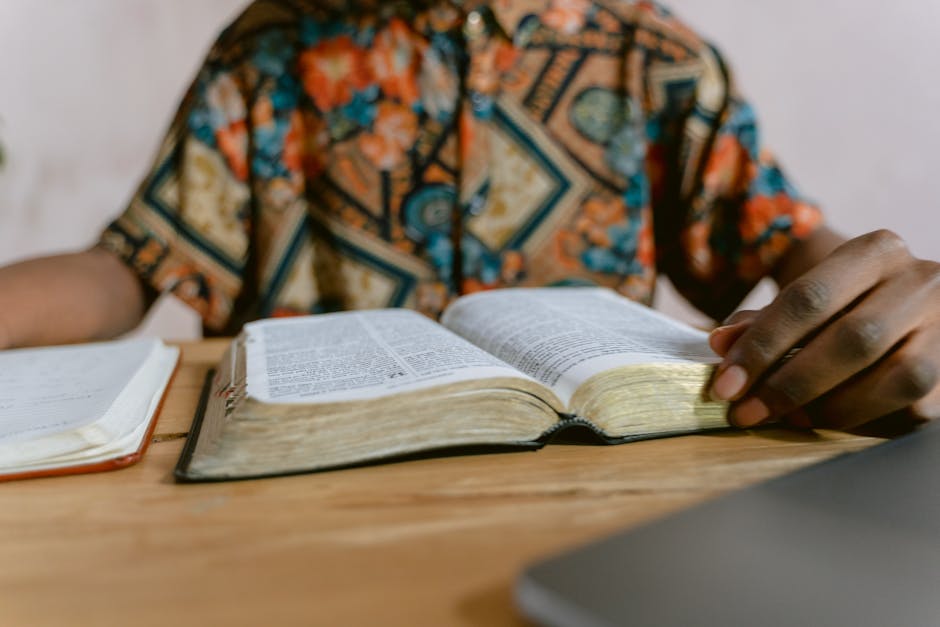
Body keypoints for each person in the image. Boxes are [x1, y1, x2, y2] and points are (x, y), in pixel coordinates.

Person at [0, 0, 936, 432]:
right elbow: (131, 261)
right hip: (304, 490)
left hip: (581, 496)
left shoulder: (655, 59)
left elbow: (786, 243)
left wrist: (886, 320)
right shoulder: (271, 49)